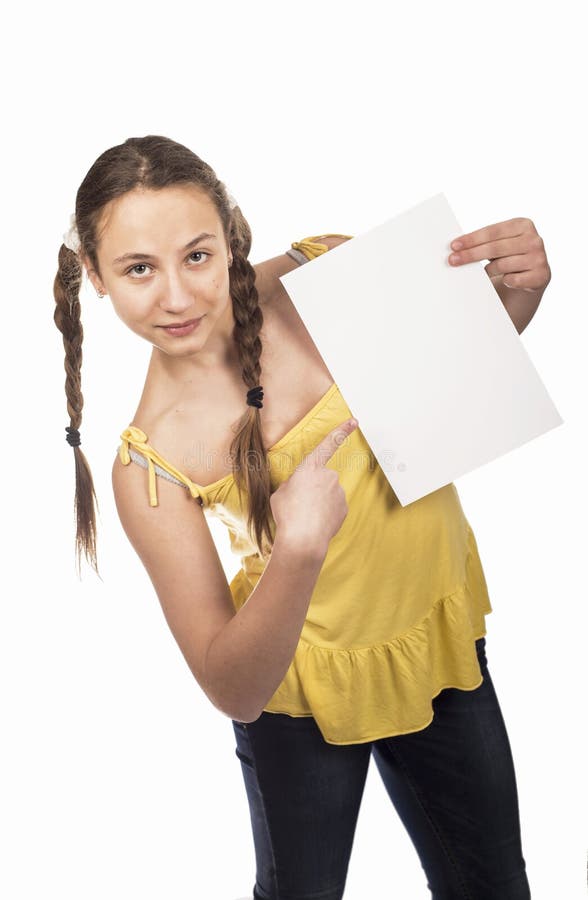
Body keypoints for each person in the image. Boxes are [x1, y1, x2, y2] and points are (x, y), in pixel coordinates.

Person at [53, 134, 548, 899]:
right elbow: (233, 688)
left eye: (196, 255)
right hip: (301, 699)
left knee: (496, 887)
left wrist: (518, 293)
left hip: (435, 641)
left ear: (229, 236)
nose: (177, 297)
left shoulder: (330, 273)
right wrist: (298, 552)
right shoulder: (148, 467)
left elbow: (447, 386)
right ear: (94, 274)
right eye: (139, 269)